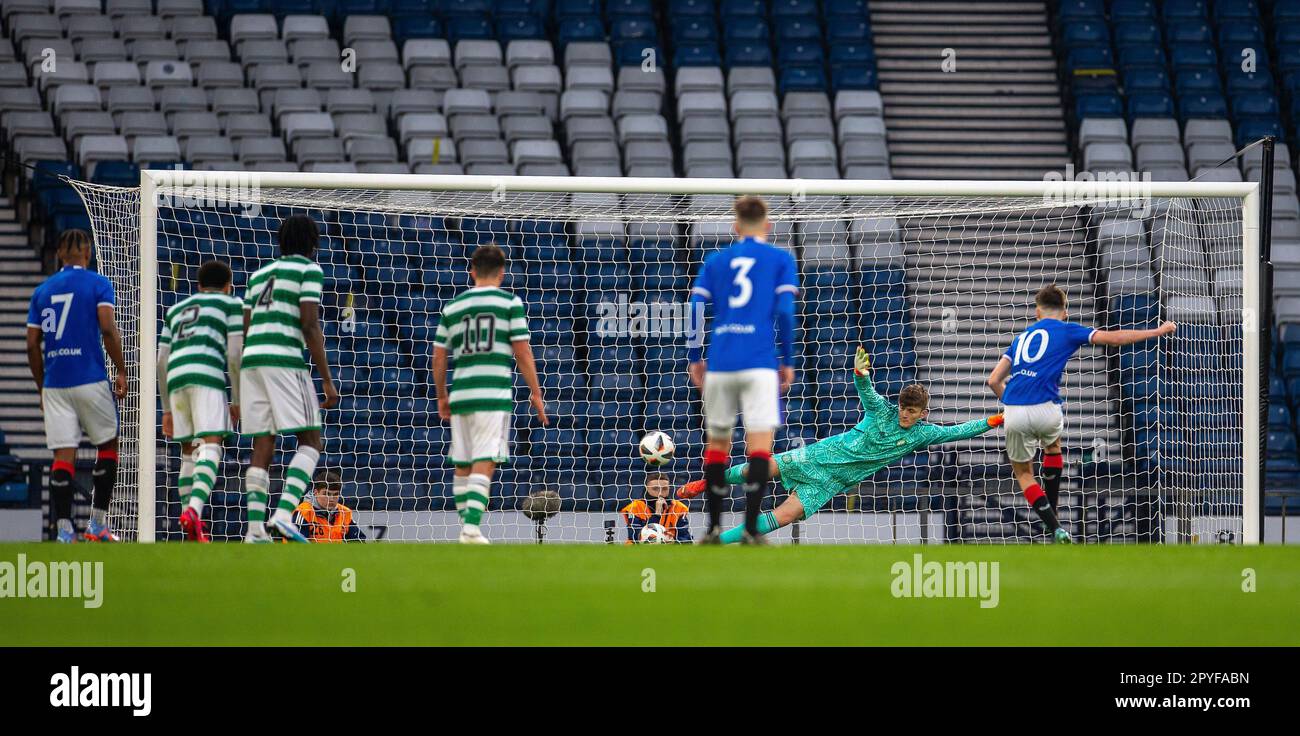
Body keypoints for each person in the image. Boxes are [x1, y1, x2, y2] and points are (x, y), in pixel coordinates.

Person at [678, 347, 1003, 544]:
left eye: (912, 412)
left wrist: (993, 421)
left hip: (832, 482)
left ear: (922, 414)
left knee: (785, 516)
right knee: (758, 468)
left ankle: (720, 541)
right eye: (904, 408)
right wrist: (860, 372)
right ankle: (704, 484)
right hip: (818, 456)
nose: (906, 415)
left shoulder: (922, 434)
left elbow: (958, 430)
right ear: (900, 405)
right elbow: (867, 389)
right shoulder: (881, 410)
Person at [985, 284, 1176, 544]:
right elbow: (1115, 337)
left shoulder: (1021, 338)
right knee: (1052, 448)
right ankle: (1054, 521)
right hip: (1048, 409)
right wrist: (1157, 330)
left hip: (1016, 408)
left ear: (1037, 312)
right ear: (1065, 312)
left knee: (1024, 474)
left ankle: (1052, 526)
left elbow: (994, 380)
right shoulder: (1067, 329)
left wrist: (1013, 404)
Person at [687, 195, 799, 544]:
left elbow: (693, 308)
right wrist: (788, 360)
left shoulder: (717, 260)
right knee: (760, 447)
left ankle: (714, 528)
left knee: (718, 445)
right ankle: (751, 529)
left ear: (735, 227)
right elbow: (784, 312)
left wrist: (695, 356)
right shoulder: (781, 259)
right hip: (760, 362)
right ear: (768, 225)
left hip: (721, 361)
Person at [433, 244, 548, 544]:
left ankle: (466, 529)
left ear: (472, 270)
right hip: (492, 394)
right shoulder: (510, 303)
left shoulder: (454, 306)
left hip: (461, 393)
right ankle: (471, 527)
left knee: (462, 461)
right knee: (486, 457)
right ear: (502, 272)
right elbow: (522, 352)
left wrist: (442, 395)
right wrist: (535, 393)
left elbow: (439, 356)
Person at [239, 215, 338, 543]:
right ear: (312, 243)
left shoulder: (259, 275)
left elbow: (246, 325)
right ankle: (283, 515)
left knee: (263, 443)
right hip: (284, 358)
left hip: (252, 360)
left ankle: (255, 530)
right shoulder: (308, 270)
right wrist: (326, 379)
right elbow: (309, 323)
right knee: (311, 440)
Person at [25, 229, 128, 542]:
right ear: (88, 253)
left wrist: (42, 386)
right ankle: (97, 524)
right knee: (107, 446)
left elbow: (31, 344)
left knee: (63, 456)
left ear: (59, 253)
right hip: (90, 377)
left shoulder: (42, 291)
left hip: (56, 382)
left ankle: (64, 530)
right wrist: (122, 370)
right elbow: (108, 328)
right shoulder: (98, 283)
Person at [158, 259, 243, 542]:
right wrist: (236, 400)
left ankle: (189, 526)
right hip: (206, 376)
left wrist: (166, 408)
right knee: (211, 445)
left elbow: (161, 361)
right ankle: (194, 510)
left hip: (176, 379)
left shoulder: (175, 310)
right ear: (228, 286)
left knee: (188, 452)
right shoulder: (229, 305)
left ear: (198, 285)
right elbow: (234, 355)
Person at [288, 469, 366, 543]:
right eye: (326, 494)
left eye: (335, 494)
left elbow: (359, 543)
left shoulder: (345, 512)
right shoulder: (303, 512)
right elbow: (295, 546)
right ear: (316, 492)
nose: (331, 499)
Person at [620, 472, 692, 544]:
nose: (660, 493)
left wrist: (674, 541)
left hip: (669, 550)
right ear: (647, 489)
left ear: (669, 489)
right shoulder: (635, 507)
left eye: (664, 489)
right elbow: (635, 537)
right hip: (639, 551)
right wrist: (657, 514)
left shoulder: (679, 507)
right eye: (655, 489)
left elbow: (685, 538)